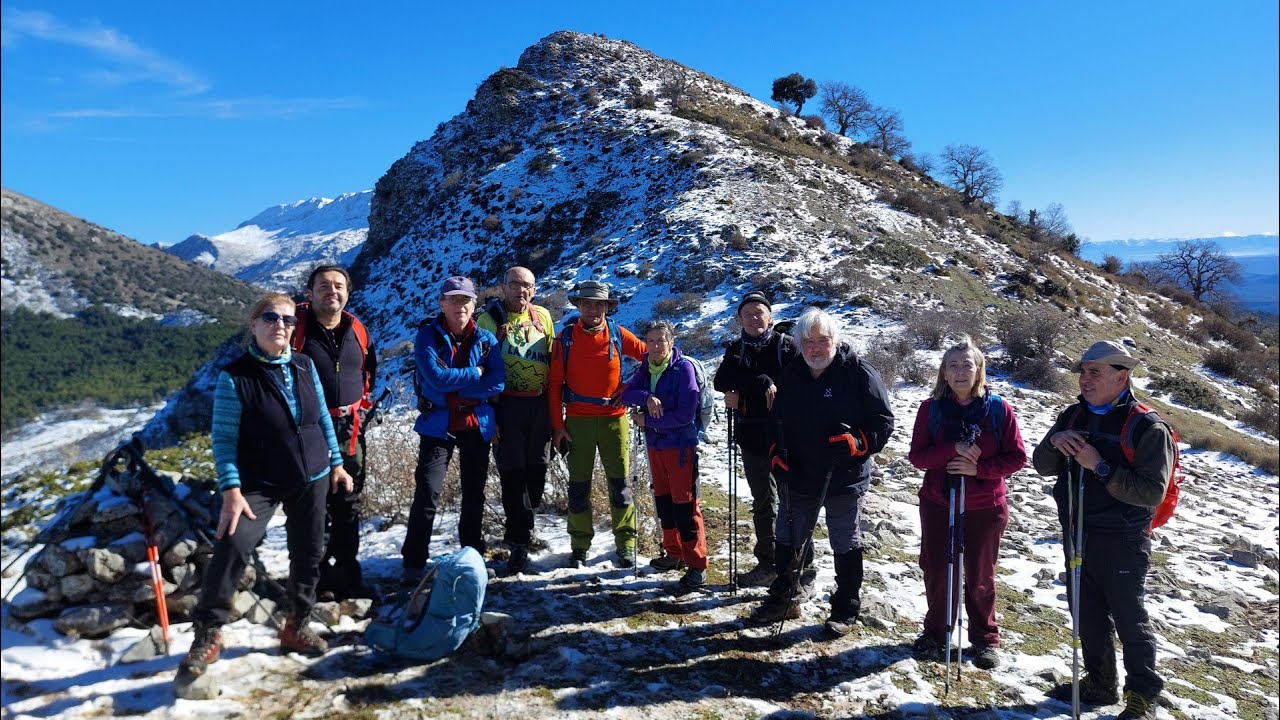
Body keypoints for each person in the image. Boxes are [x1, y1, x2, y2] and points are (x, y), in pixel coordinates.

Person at [177, 293, 354, 681]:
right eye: (271, 318)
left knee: (308, 551)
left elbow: (322, 418)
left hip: (313, 475)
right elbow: (223, 439)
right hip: (259, 480)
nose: (280, 326)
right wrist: (231, 490)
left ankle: (297, 624)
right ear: (253, 325)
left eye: (288, 320)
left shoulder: (304, 365)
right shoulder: (235, 376)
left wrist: (337, 465)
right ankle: (207, 632)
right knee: (233, 543)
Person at [1033, 340, 1173, 720]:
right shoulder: (1072, 416)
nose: (1085, 379)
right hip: (1077, 529)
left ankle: (1143, 696)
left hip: (1123, 537)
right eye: (1082, 371)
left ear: (1121, 376)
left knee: (1129, 616)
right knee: (1086, 611)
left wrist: (1100, 466)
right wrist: (1054, 442)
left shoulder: (1148, 426)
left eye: (1095, 372)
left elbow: (1150, 492)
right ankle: (1100, 683)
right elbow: (1042, 465)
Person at [755, 308, 894, 635]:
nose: (816, 348)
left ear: (835, 340)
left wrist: (857, 442)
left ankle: (845, 608)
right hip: (798, 474)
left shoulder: (858, 373)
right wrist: (776, 452)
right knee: (787, 536)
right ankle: (787, 596)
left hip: (843, 476)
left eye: (823, 340)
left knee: (844, 540)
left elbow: (883, 422)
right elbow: (777, 421)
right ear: (799, 344)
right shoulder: (792, 373)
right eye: (808, 342)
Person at [907, 337, 1026, 669]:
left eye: (967, 365)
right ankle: (936, 633)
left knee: (979, 574)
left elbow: (1017, 457)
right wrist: (952, 450)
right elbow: (918, 457)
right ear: (944, 372)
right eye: (953, 365)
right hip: (937, 502)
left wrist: (980, 468)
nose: (960, 372)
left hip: (985, 506)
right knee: (937, 569)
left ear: (979, 371)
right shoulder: (930, 409)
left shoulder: (999, 409)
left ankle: (985, 639)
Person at [403, 276, 505, 583]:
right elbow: (434, 379)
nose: (459, 306)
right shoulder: (427, 336)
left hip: (475, 423)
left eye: (465, 300)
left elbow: (497, 382)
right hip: (438, 424)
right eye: (453, 300)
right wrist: (475, 373)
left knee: (474, 493)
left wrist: (459, 388)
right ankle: (413, 561)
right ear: (442, 304)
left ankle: (472, 554)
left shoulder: (487, 340)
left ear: (474, 304)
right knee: (428, 491)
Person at [293, 264, 378, 601]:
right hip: (307, 430)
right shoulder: (295, 330)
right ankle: (313, 579)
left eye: (339, 285)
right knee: (313, 504)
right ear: (310, 292)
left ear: (348, 291)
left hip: (351, 429)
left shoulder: (357, 328)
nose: (332, 291)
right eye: (324, 285)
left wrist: (364, 401)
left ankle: (347, 574)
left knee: (348, 502)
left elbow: (369, 369)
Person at [547, 280, 646, 568]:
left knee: (620, 485)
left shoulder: (618, 334)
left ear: (607, 307)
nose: (592, 309)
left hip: (614, 421)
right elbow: (554, 386)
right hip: (577, 422)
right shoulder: (565, 339)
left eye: (599, 304)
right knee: (579, 487)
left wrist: (629, 389)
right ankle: (579, 545)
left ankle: (626, 543)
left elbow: (650, 357)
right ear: (578, 306)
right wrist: (558, 425)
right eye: (587, 304)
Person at [713, 291, 799, 587]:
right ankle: (768, 564)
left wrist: (746, 387)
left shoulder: (786, 347)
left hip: (786, 437)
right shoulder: (736, 350)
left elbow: (798, 382)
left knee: (791, 502)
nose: (753, 318)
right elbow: (720, 381)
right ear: (739, 320)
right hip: (751, 437)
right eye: (747, 314)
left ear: (770, 317)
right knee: (763, 502)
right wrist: (758, 382)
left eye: (759, 313)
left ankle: (797, 567)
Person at [475, 267, 556, 574]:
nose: (520, 291)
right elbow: (479, 367)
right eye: (515, 285)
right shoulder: (488, 320)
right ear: (504, 286)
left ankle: (525, 525)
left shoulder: (544, 317)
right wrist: (488, 416)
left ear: (533, 291)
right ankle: (519, 543)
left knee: (537, 473)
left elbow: (552, 359)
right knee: (512, 474)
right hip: (505, 406)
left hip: (538, 405)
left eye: (527, 286)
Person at [621, 320, 707, 590]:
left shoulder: (684, 370)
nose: (656, 346)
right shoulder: (646, 367)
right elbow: (627, 394)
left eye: (661, 341)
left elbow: (685, 414)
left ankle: (697, 564)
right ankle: (673, 553)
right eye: (651, 341)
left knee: (686, 504)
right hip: (656, 446)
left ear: (672, 342)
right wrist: (646, 396)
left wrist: (649, 422)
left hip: (680, 447)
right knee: (664, 501)